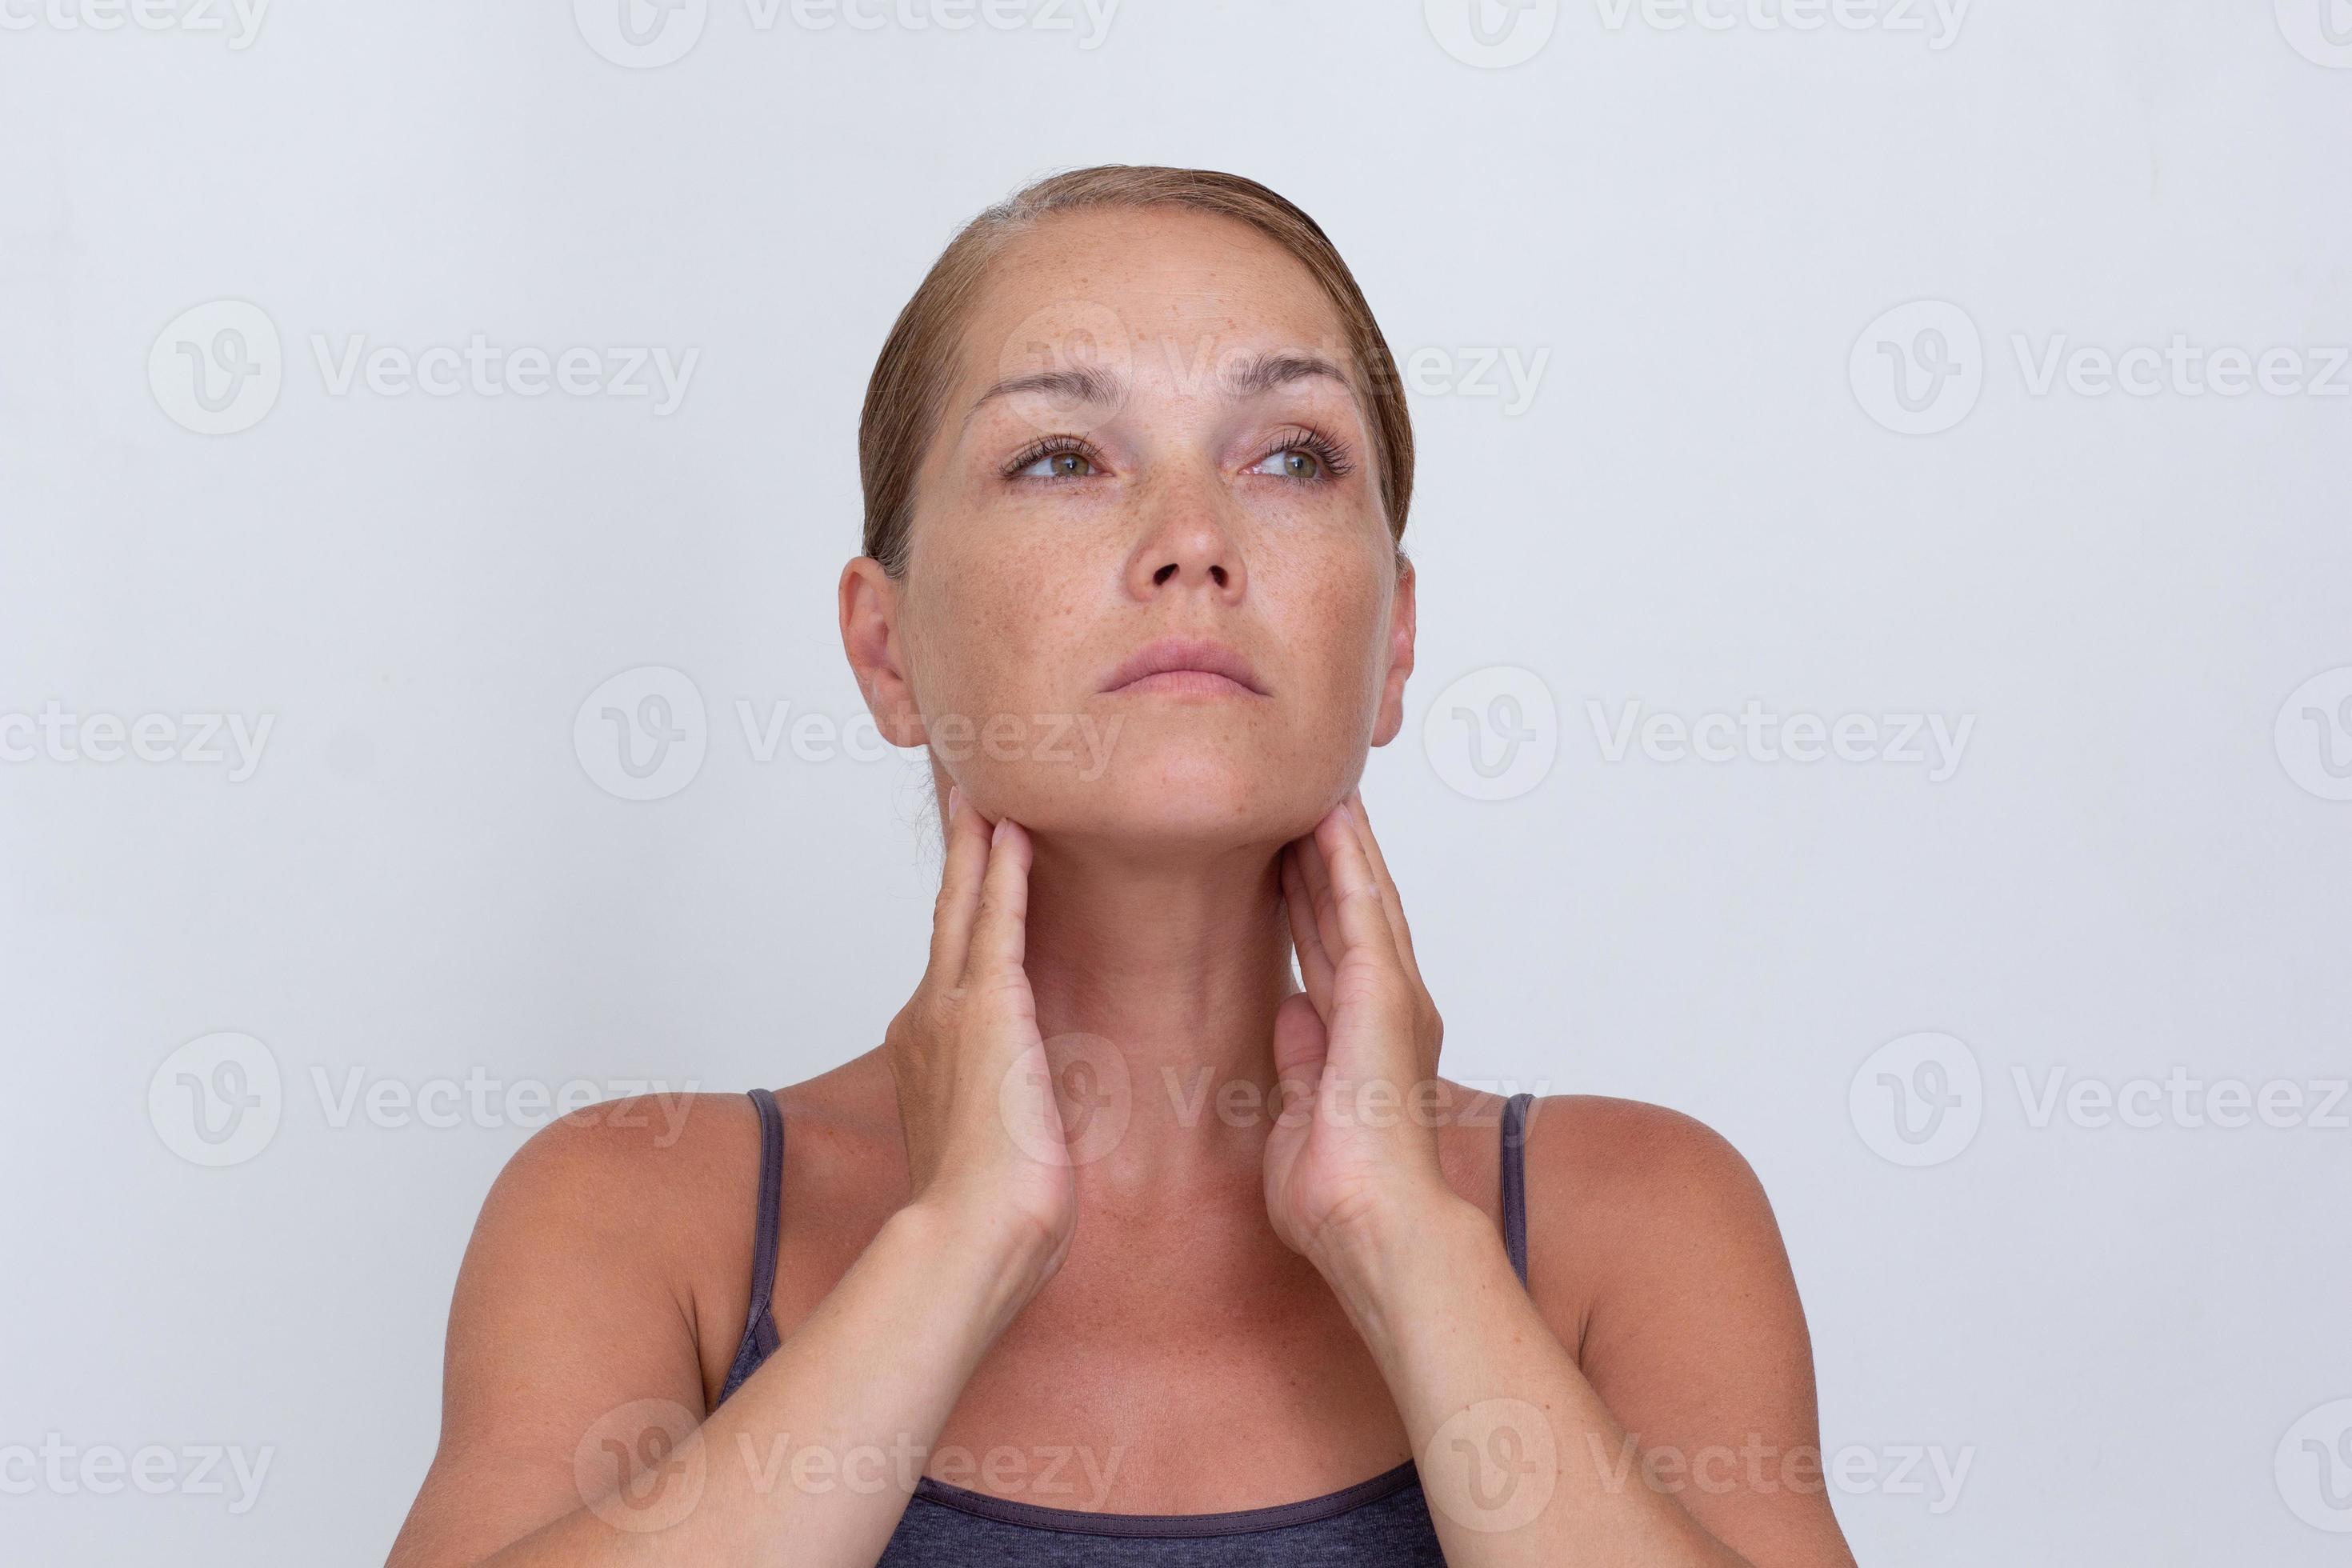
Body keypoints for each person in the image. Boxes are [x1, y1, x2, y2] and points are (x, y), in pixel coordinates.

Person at [388, 165, 1857, 1567]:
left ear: (1395, 642)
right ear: (884, 649)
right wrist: (957, 1248)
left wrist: (1408, 1243)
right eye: (1062, 457)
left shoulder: (1636, 1217)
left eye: (1291, 456)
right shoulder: (641, 1211)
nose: (1194, 542)